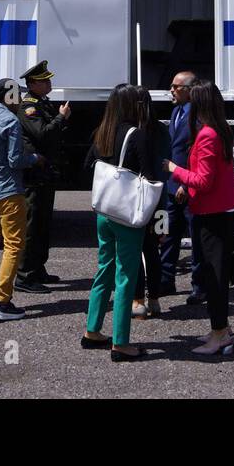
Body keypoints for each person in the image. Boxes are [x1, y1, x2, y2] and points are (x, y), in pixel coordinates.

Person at [165, 79, 234, 357]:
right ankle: (219, 329)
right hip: (221, 208)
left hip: (213, 211)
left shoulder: (207, 134)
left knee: (215, 276)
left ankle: (221, 334)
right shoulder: (219, 129)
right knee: (216, 274)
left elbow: (204, 180)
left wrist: (175, 170)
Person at [82, 84, 157, 361]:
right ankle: (121, 343)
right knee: (126, 275)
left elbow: (86, 166)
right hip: (126, 214)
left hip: (103, 212)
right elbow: (148, 175)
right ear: (131, 106)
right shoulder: (137, 135)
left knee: (104, 269)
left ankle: (92, 330)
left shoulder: (102, 132)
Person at [0, 78, 43, 322]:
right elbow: (15, 161)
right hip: (9, 192)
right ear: (9, 97)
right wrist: (35, 158)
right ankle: (4, 302)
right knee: (14, 245)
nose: (21, 99)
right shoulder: (11, 121)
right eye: (17, 95)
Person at [15, 60, 70, 294]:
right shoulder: (29, 107)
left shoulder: (42, 103)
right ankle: (24, 276)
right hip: (35, 174)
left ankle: (38, 269)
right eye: (44, 80)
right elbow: (43, 134)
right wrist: (61, 118)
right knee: (32, 224)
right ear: (32, 84)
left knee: (43, 224)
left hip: (46, 172)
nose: (49, 83)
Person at [130, 86, 168, 319]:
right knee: (154, 250)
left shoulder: (131, 131)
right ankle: (154, 299)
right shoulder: (162, 129)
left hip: (134, 200)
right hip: (159, 197)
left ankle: (138, 301)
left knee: (134, 251)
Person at [157, 71, 195, 299]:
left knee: (197, 240)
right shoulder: (176, 111)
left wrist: (186, 183)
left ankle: (199, 287)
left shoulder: (197, 115)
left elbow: (194, 153)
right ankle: (165, 280)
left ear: (189, 90)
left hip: (187, 185)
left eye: (176, 86)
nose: (171, 90)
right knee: (167, 235)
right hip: (171, 186)